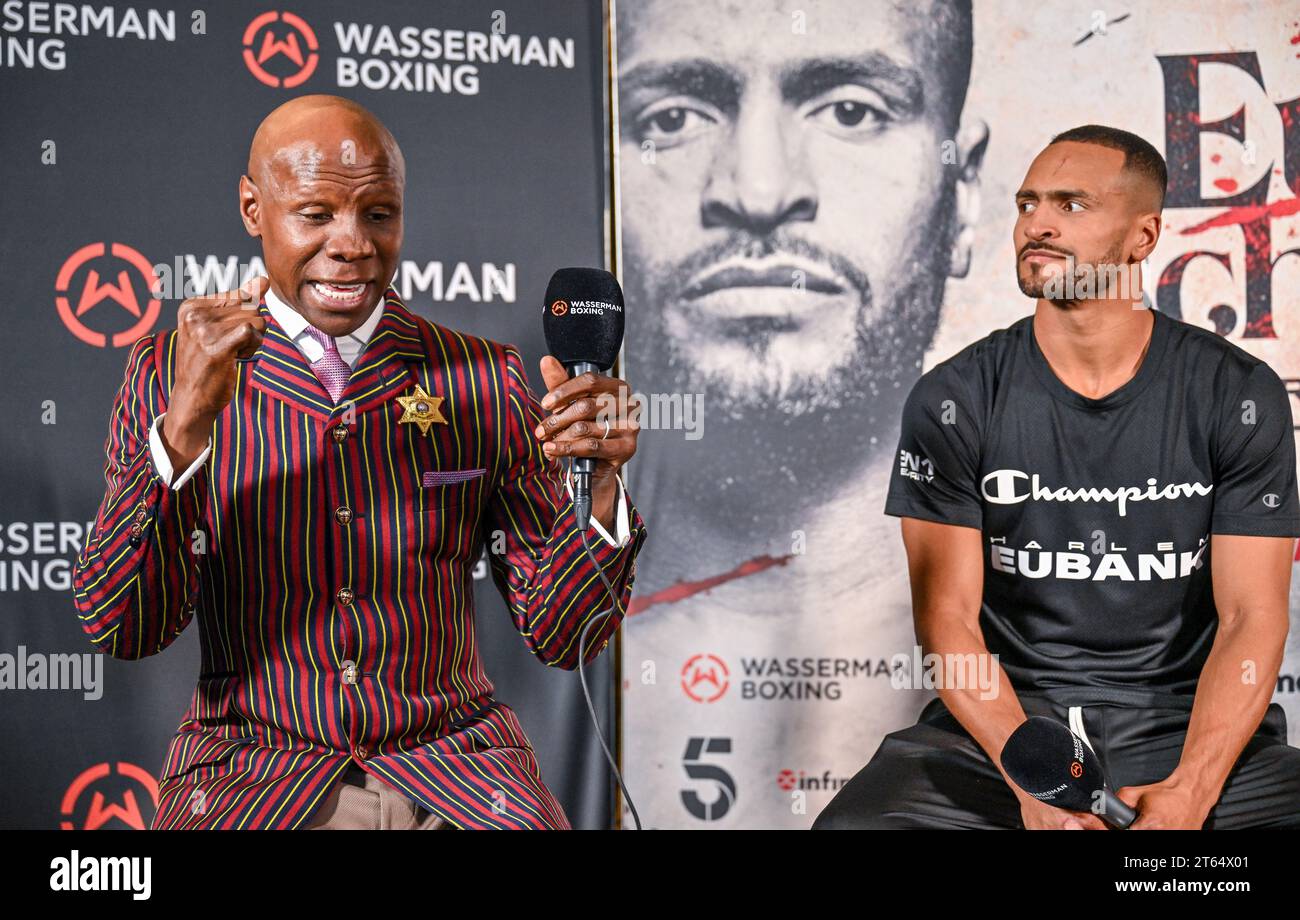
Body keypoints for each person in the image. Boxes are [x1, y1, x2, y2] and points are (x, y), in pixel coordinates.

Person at [72, 95, 647, 830]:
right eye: (314, 214)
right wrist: (184, 425)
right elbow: (125, 626)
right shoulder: (165, 370)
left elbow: (564, 636)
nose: (352, 245)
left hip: (461, 775)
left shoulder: (485, 375)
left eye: (379, 214)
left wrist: (599, 491)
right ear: (253, 208)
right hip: (254, 775)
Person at [815, 125, 1300, 829]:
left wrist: (1194, 788)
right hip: (1005, 731)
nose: (1035, 224)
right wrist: (1030, 776)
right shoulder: (954, 399)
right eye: (1025, 204)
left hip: (1182, 725)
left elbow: (1252, 617)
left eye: (1071, 205)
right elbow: (947, 620)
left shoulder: (1237, 394)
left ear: (1142, 236)